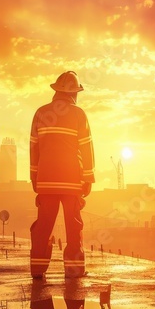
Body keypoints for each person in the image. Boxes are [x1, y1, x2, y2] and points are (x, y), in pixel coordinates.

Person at [29, 71, 95, 279]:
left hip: (46, 180)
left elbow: (34, 148)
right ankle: (74, 270)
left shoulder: (41, 113)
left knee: (44, 225)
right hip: (71, 180)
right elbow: (86, 148)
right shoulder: (79, 114)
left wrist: (34, 178)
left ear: (56, 91)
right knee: (73, 225)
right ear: (74, 93)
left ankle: (38, 269)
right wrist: (88, 178)